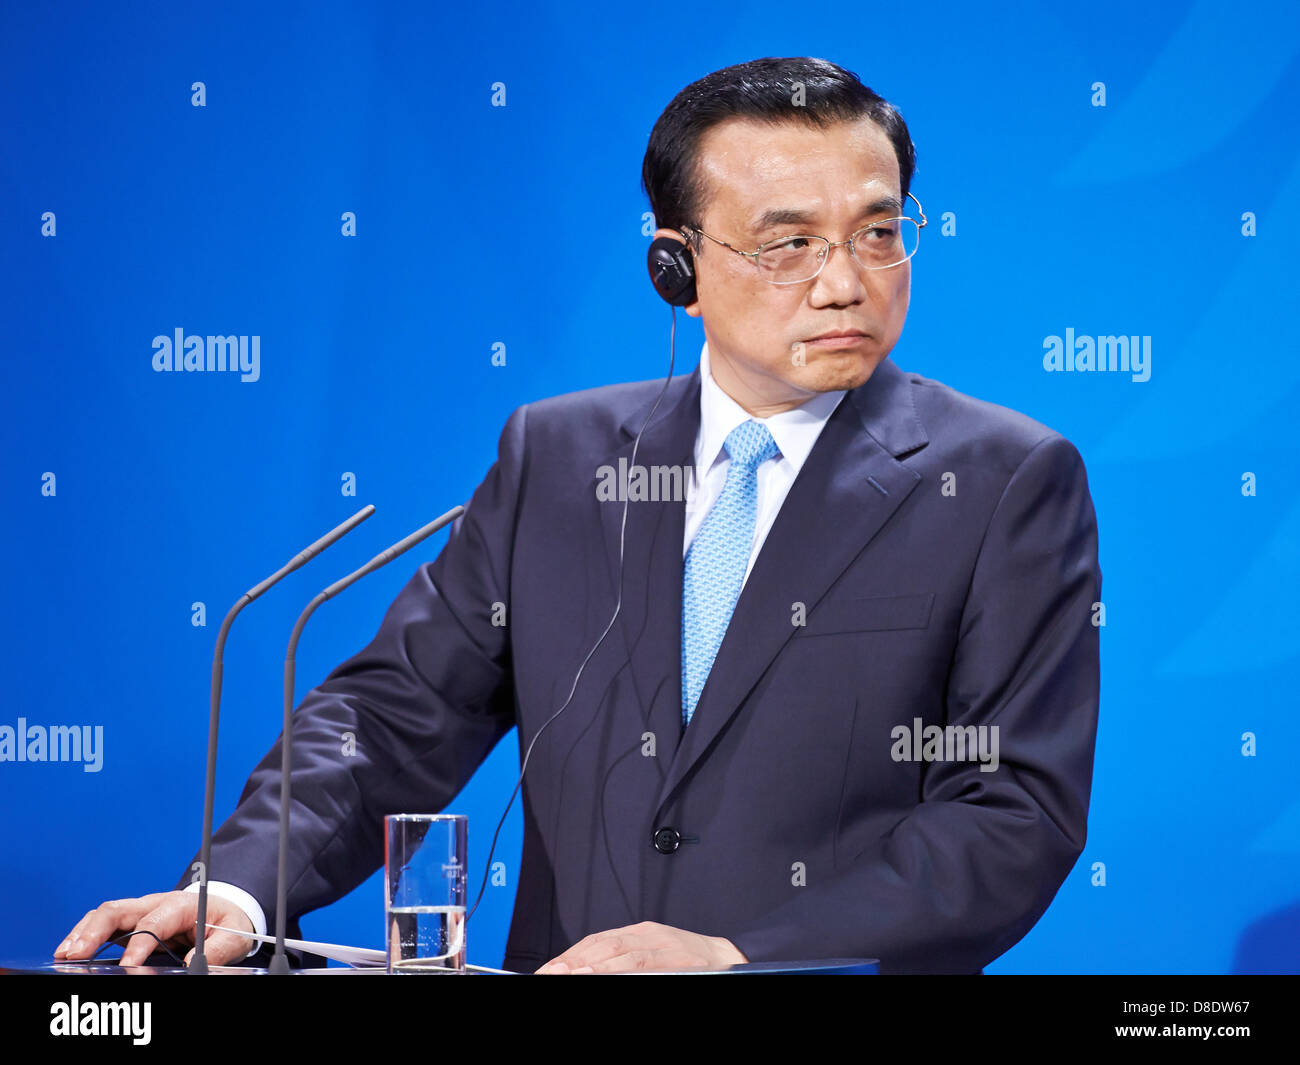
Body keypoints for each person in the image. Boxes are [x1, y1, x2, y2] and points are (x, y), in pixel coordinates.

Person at [55, 56, 1100, 975]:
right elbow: (396, 713)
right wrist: (239, 888)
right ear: (675, 266)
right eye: (788, 246)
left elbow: (1010, 813)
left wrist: (741, 956)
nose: (844, 283)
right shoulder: (557, 457)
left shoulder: (1005, 478)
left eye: (877, 232)